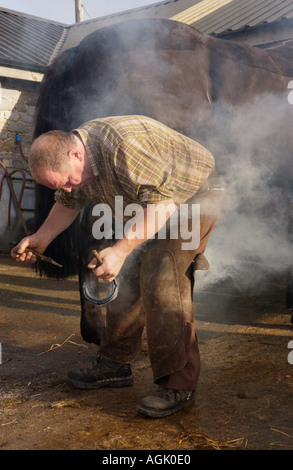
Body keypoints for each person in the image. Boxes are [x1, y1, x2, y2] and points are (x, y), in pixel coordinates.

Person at [11, 115, 223, 418]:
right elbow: (68, 202)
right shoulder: (76, 165)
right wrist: (41, 237)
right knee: (125, 267)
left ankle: (179, 383)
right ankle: (115, 363)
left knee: (163, 273)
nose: (70, 189)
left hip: (193, 195)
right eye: (61, 186)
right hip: (146, 199)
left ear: (75, 154)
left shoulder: (124, 146)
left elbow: (163, 204)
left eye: (69, 181)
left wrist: (122, 249)